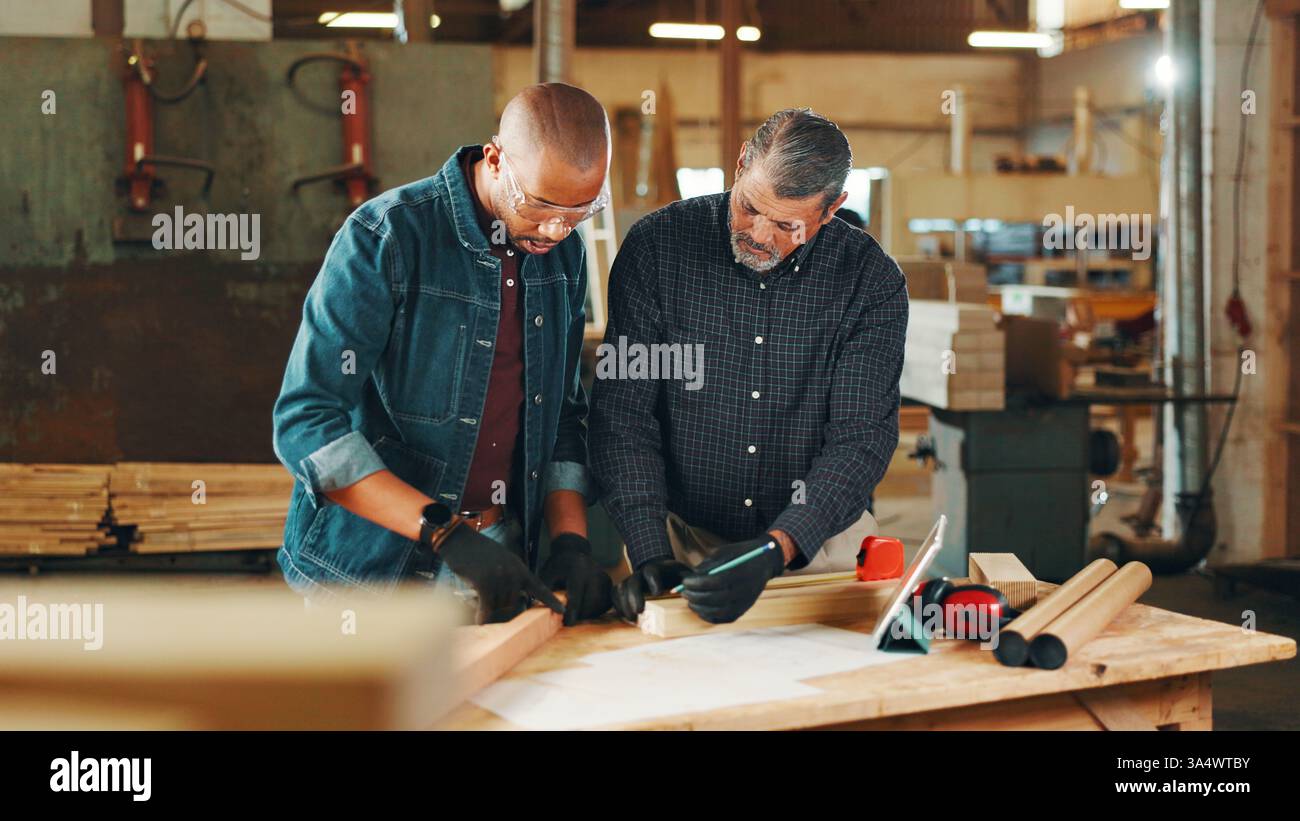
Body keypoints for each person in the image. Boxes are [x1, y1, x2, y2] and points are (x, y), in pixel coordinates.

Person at [273, 83, 614, 625]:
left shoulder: (564, 257)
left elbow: (563, 417)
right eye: (542, 205)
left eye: (580, 211)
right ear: (495, 159)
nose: (556, 228)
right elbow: (305, 421)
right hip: (370, 571)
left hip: (500, 557)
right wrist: (442, 530)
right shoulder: (386, 236)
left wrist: (571, 543)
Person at [591, 108, 908, 624]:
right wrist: (650, 551)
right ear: (740, 163)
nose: (759, 235)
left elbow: (861, 436)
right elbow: (624, 415)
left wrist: (779, 546)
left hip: (819, 546)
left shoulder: (869, 281)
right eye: (748, 208)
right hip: (685, 545)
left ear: (832, 210)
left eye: (787, 225)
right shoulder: (656, 249)